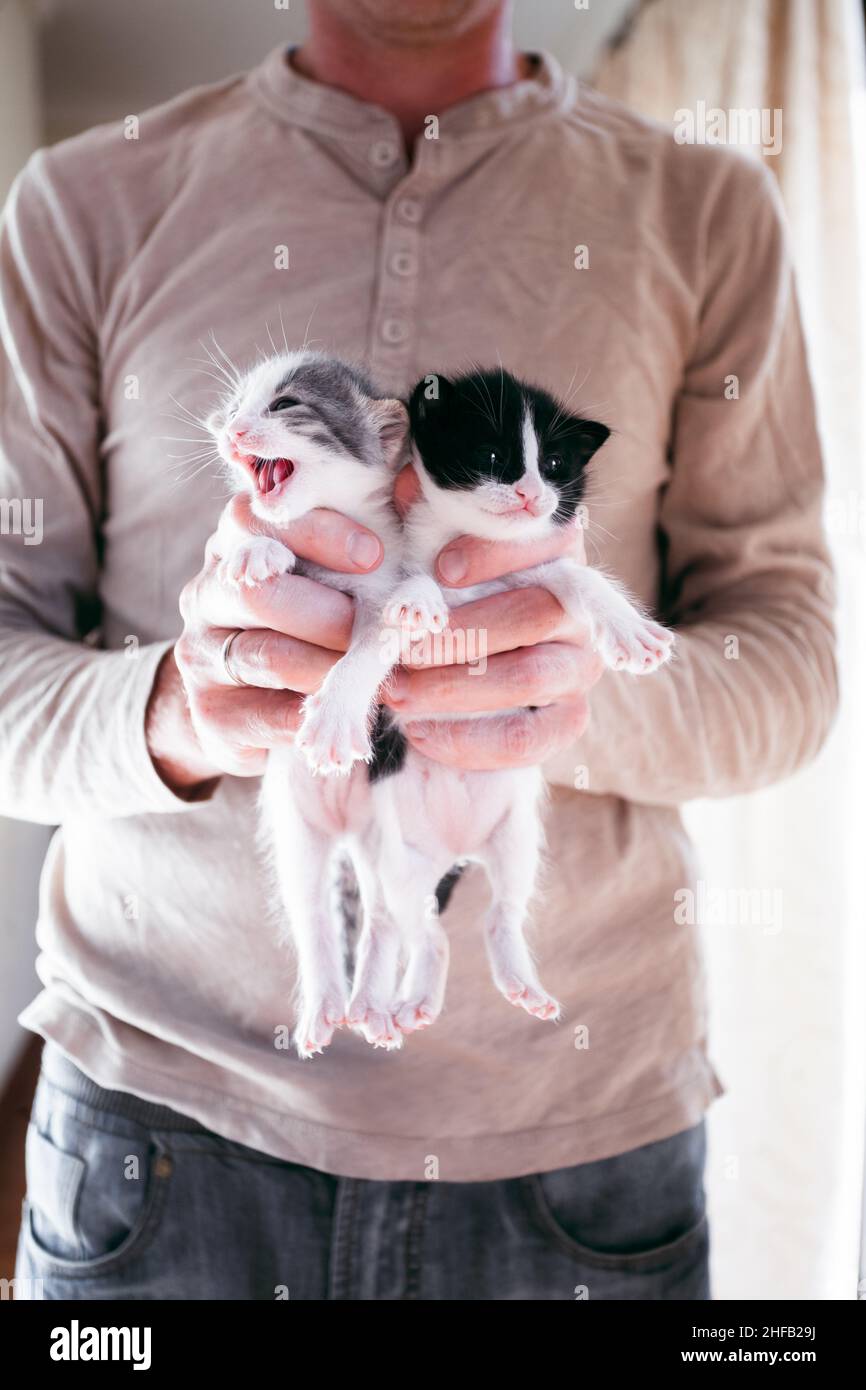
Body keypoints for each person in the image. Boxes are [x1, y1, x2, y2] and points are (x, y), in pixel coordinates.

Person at [1, 0, 836, 1300]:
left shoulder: (707, 212)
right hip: (157, 1138)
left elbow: (791, 670)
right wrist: (178, 705)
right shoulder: (77, 203)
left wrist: (563, 691)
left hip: (585, 1155)